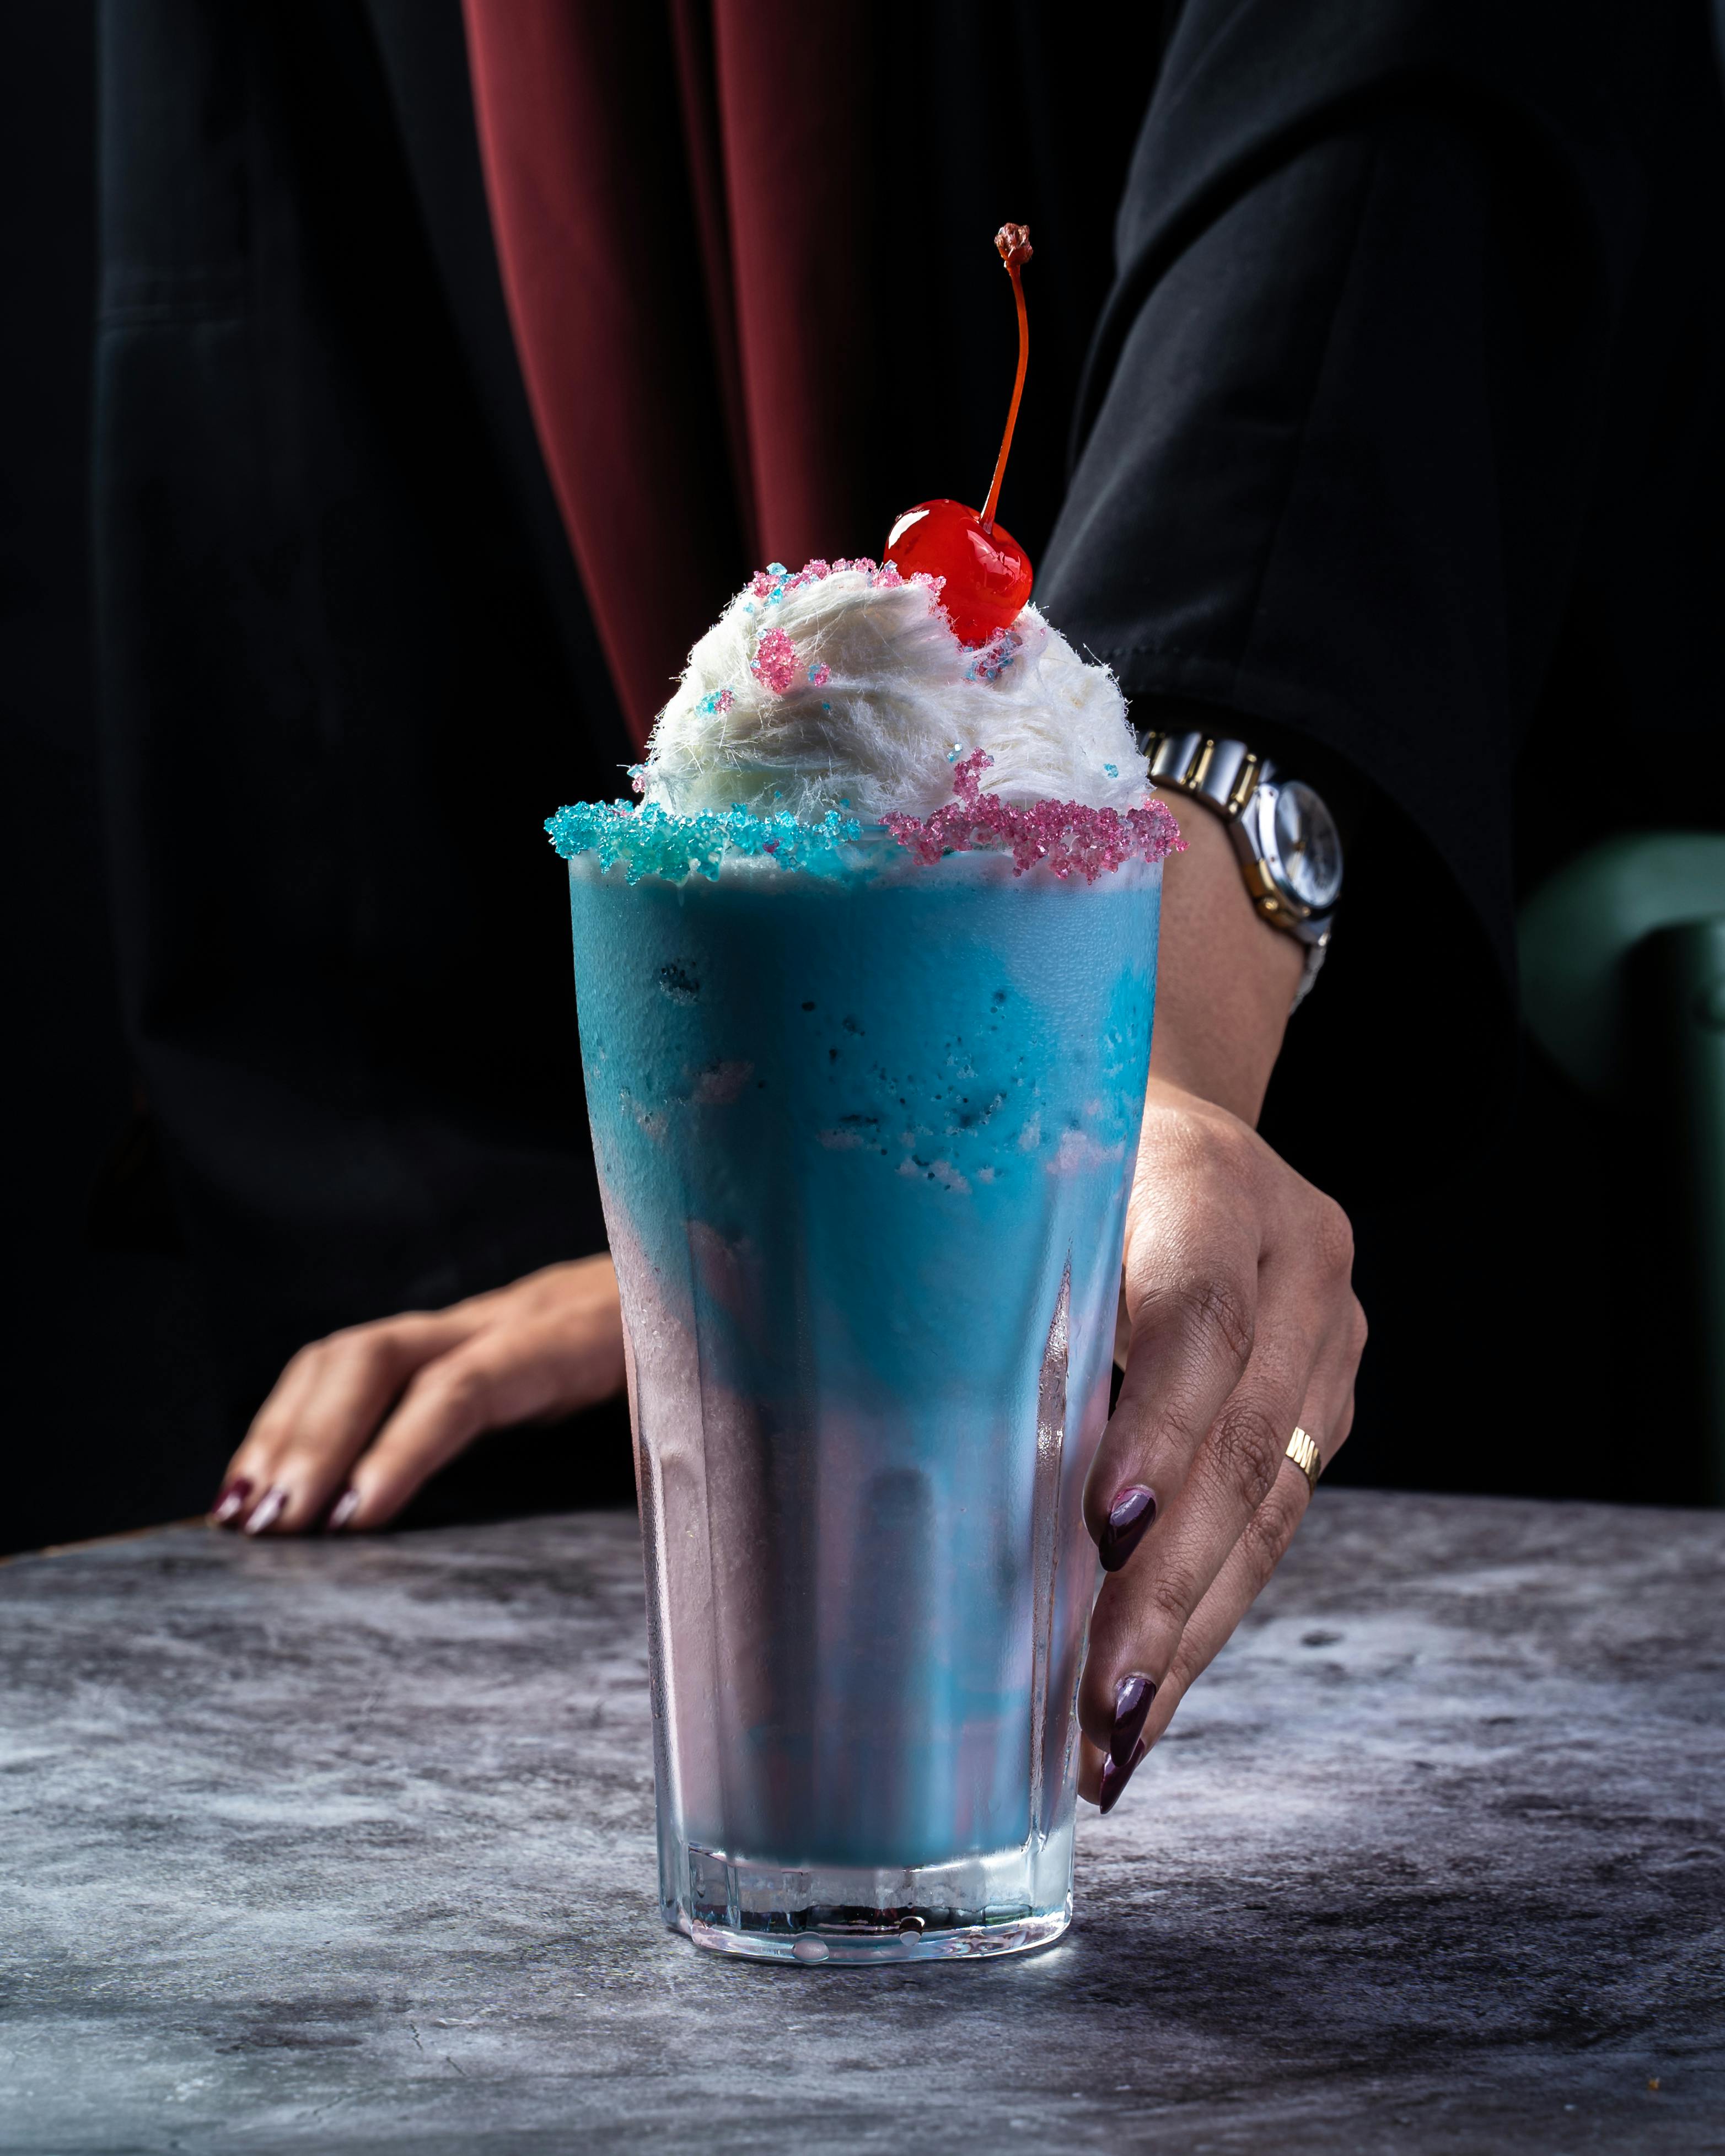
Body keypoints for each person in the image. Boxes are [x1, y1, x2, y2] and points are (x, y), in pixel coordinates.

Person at [99, 2, 1724, 1810]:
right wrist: (700, 1235)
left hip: (1387, 1206)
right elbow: (264, 364)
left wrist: (1121, 1084)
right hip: (605, 1332)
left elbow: (1385, 175)